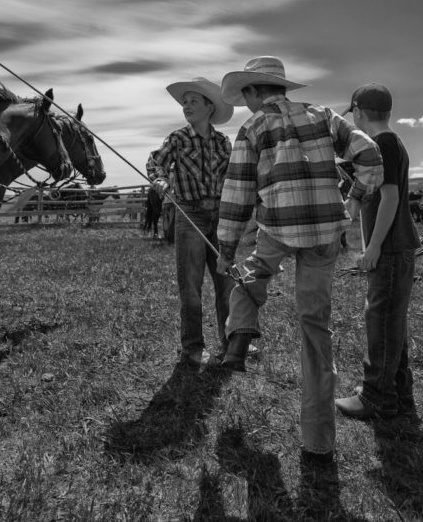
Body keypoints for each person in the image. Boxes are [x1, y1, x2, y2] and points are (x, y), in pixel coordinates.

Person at [214, 56, 383, 465]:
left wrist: (224, 246)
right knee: (315, 327)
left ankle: (240, 337)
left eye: (245, 95)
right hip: (326, 232)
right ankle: (318, 442)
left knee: (249, 273)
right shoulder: (324, 117)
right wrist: (354, 199)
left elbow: (237, 193)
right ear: (284, 88)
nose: (246, 103)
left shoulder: (253, 127)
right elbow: (371, 155)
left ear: (255, 91)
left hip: (277, 228)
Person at [335, 84, 421, 422]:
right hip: (396, 246)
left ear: (357, 112)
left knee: (380, 320)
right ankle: (397, 392)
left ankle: (376, 399)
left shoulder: (381, 143)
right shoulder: (392, 140)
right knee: (391, 323)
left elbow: (390, 198)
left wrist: (373, 247)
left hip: (390, 246)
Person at [146, 78, 235, 369]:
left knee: (225, 282)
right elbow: (154, 162)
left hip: (219, 214)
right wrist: (159, 180)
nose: (186, 106)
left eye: (193, 101)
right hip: (190, 214)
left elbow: (234, 177)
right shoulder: (177, 139)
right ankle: (193, 348)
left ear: (210, 107)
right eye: (184, 102)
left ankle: (230, 341)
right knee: (191, 285)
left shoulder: (224, 143)